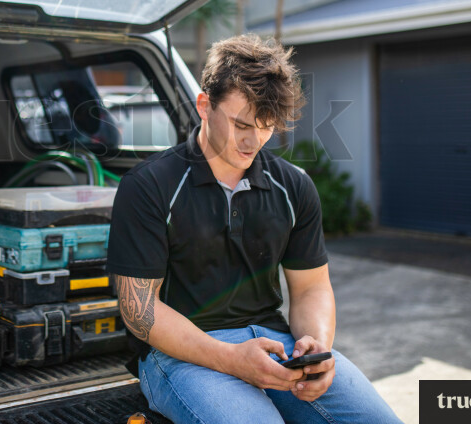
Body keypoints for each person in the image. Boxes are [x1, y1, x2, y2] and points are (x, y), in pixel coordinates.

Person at [106, 35, 401, 424]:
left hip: (276, 343)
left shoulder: (294, 186)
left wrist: (316, 345)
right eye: (241, 124)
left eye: (266, 127)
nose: (253, 141)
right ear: (204, 106)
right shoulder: (148, 186)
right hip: (179, 354)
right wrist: (232, 359)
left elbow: (312, 287)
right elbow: (140, 311)